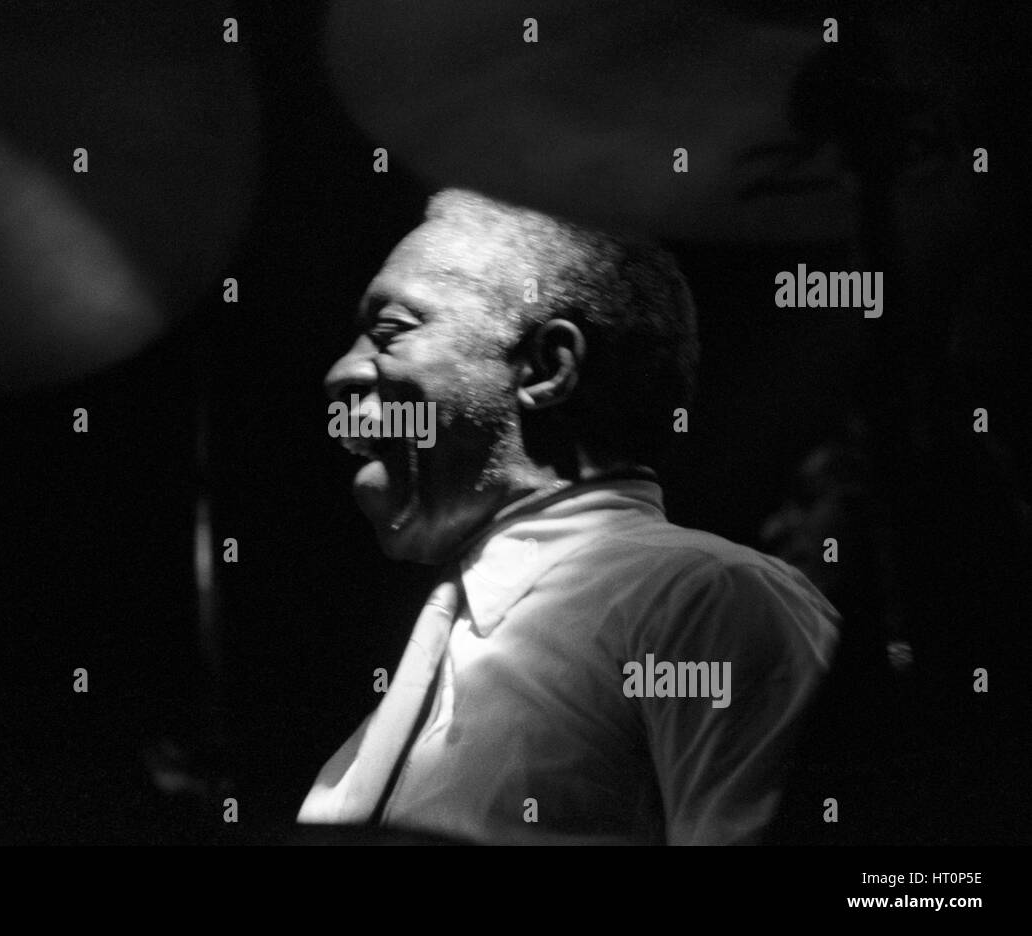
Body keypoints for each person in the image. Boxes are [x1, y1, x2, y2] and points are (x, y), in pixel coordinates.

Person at [298, 189, 840, 844]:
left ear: (546, 367)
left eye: (391, 332)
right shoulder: (455, 628)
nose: (341, 372)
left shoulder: (703, 597)